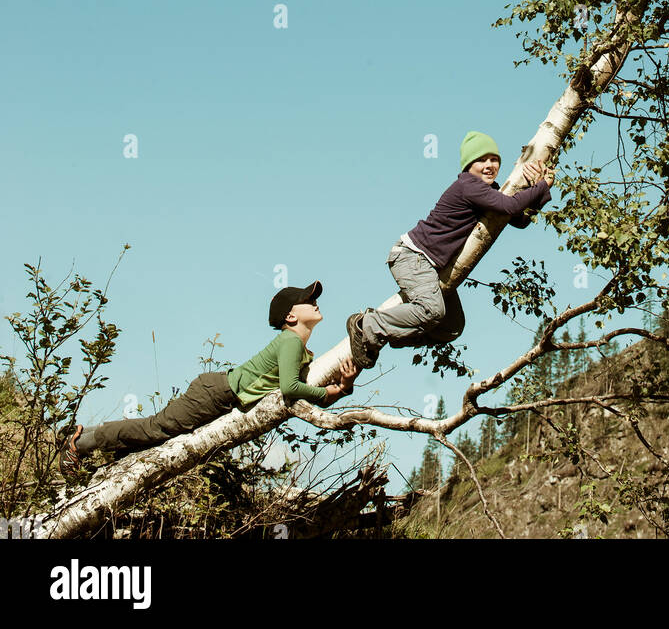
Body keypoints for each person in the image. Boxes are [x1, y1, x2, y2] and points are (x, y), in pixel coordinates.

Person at [58, 280, 357, 478]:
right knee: (157, 428)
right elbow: (291, 389)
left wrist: (342, 389)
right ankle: (80, 443)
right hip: (215, 394)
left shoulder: (298, 347)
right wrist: (331, 391)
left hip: (219, 395)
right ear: (291, 318)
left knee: (160, 438)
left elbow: (299, 392)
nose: (315, 302)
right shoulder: (291, 342)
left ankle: (92, 449)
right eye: (307, 300)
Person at [346, 132, 552, 368]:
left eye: (494, 160)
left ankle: (384, 334)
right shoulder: (468, 185)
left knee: (452, 327)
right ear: (468, 165)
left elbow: (518, 219)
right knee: (432, 310)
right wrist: (542, 186)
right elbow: (510, 205)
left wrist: (538, 194)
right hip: (413, 256)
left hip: (434, 266)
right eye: (481, 160)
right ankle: (367, 325)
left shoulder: (487, 192)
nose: (489, 166)